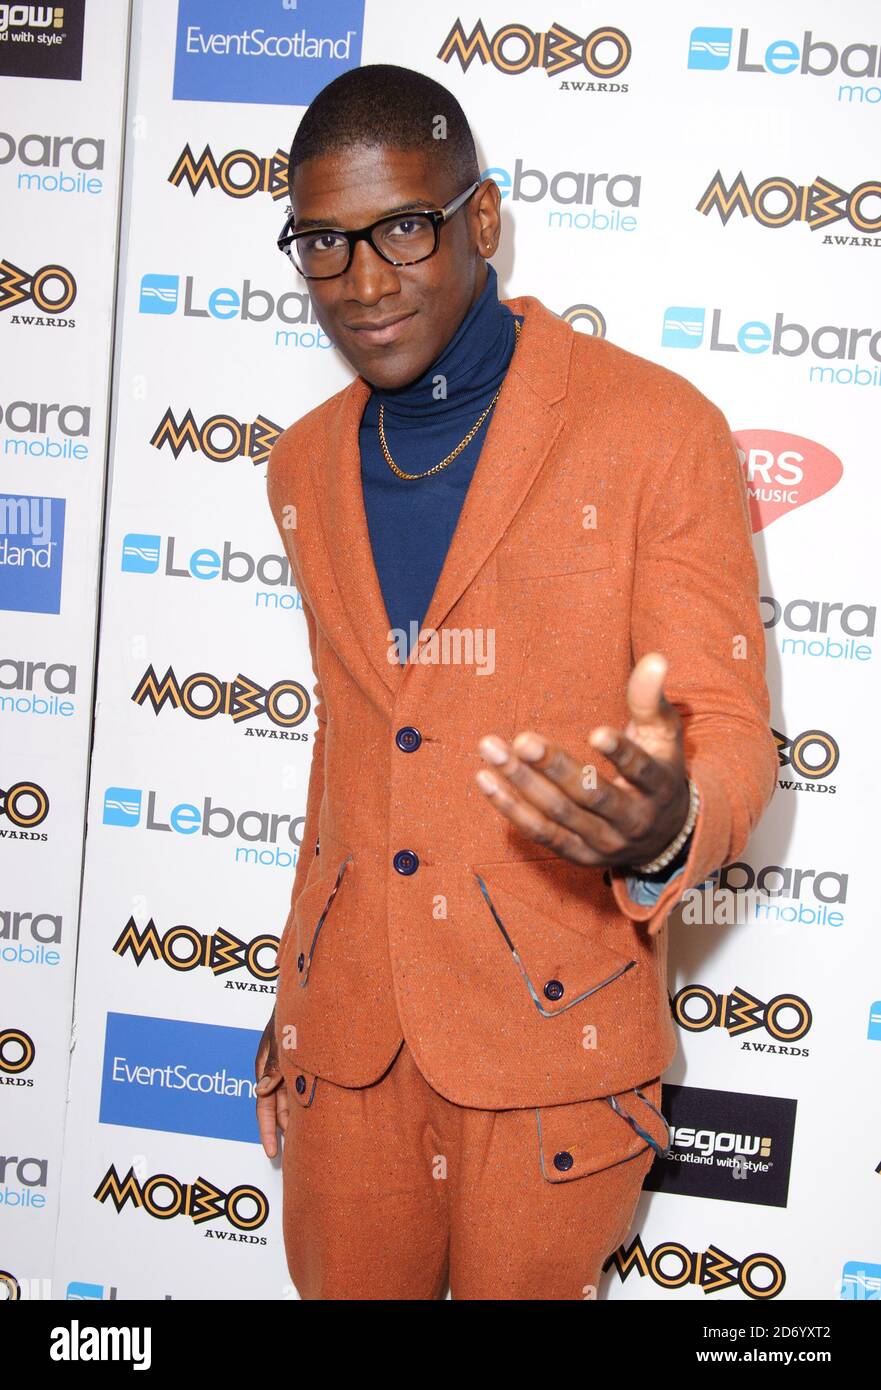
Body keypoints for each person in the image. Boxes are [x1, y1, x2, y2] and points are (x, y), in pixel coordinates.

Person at [253, 63, 777, 1301]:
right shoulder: (301, 461)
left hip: (550, 1037)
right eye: (322, 244)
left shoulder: (655, 429)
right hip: (347, 1048)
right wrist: (294, 994)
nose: (363, 282)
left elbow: (729, 729)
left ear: (479, 220)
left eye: (402, 228)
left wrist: (665, 826)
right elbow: (354, 751)